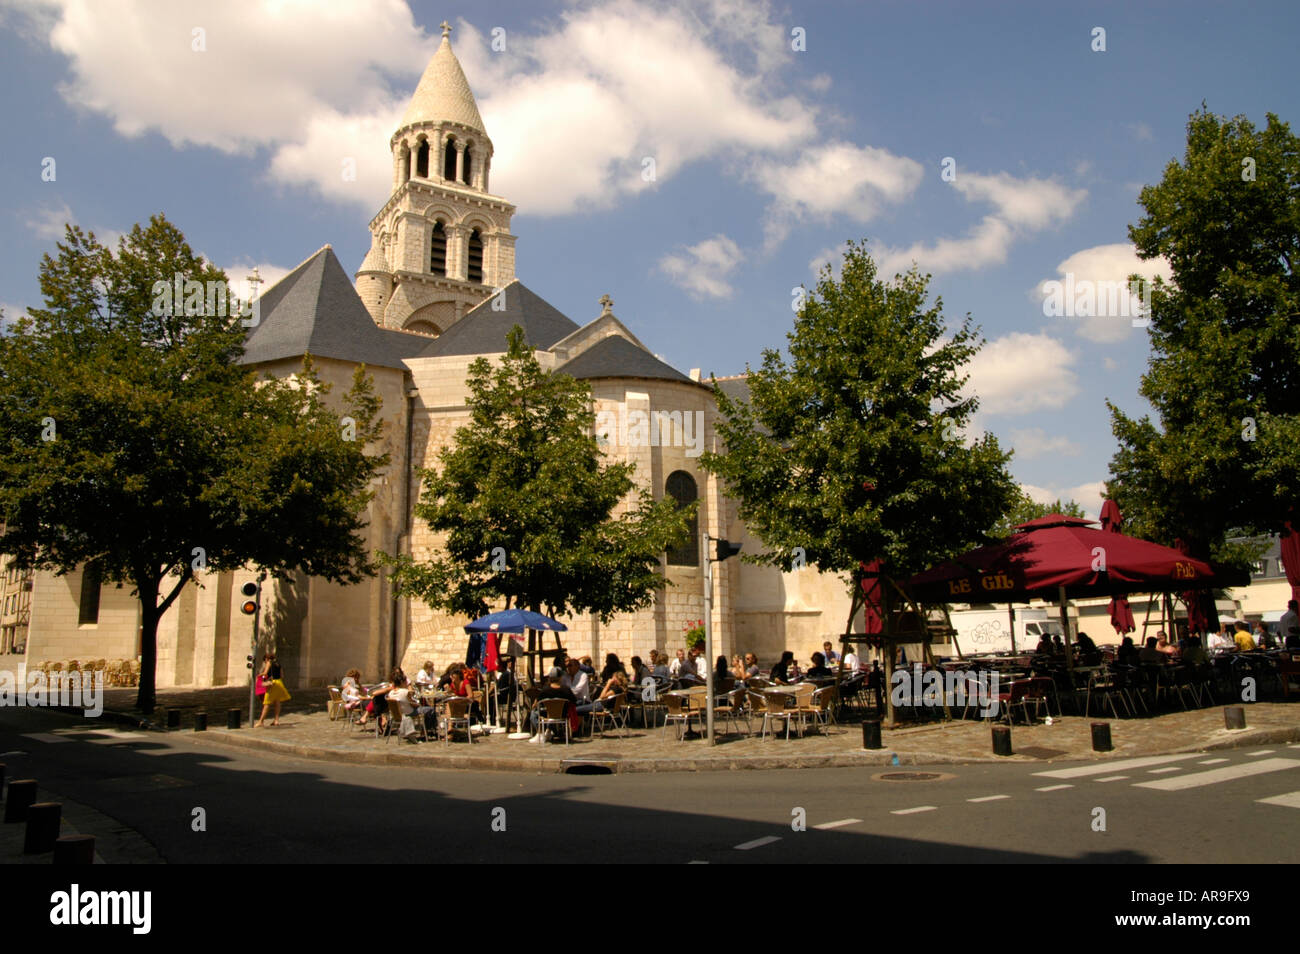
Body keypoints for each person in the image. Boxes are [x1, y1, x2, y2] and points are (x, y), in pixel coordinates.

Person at [389, 672, 434, 743]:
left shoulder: (390, 693)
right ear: (402, 682)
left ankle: (427, 730)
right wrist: (418, 704)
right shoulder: (406, 692)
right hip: (409, 712)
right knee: (430, 709)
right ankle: (427, 730)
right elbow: (412, 704)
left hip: (397, 715)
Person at [530, 676, 579, 742]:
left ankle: (542, 732)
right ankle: (549, 730)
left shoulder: (545, 690)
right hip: (563, 714)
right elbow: (574, 701)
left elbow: (536, 704)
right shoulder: (566, 690)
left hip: (548, 714)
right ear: (560, 679)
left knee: (533, 713)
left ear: (549, 679)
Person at [255, 653, 291, 727]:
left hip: (272, 684)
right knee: (277, 701)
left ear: (266, 659)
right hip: (279, 683)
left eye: (265, 661)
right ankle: (276, 720)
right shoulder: (278, 664)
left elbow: (265, 673)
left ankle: (261, 721)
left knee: (267, 703)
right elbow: (282, 675)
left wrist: (259, 676)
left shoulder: (269, 663)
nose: (265, 662)